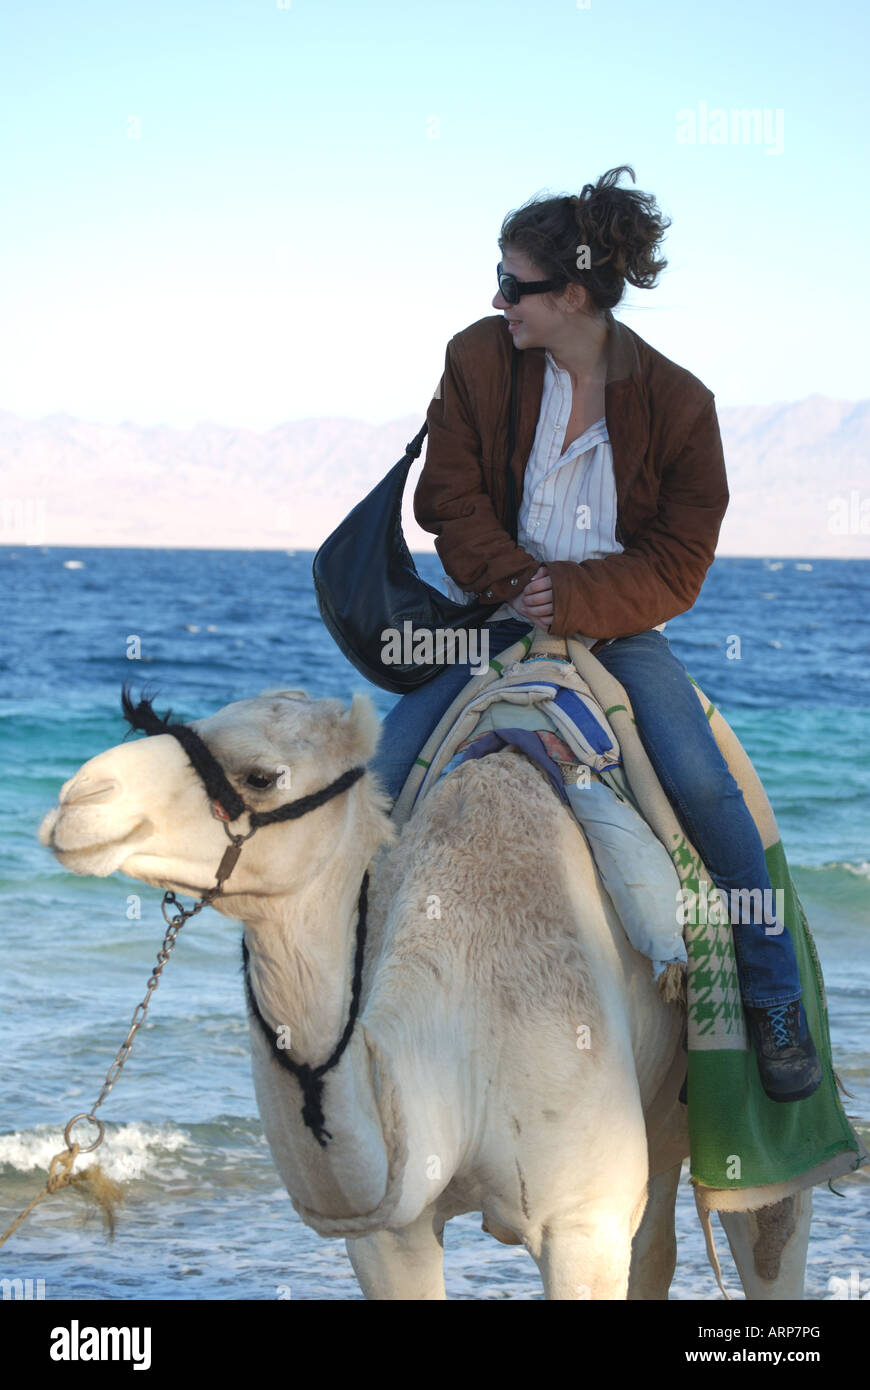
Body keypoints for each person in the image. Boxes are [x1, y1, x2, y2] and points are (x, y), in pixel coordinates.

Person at [370, 165, 821, 1104]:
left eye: (514, 285)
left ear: (572, 294)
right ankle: (350, 1001)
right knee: (383, 772)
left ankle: (775, 999)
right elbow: (445, 494)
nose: (499, 301)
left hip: (618, 631)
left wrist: (569, 599)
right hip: (493, 619)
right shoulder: (480, 358)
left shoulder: (679, 404)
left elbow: (680, 560)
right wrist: (514, 582)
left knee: (701, 781)